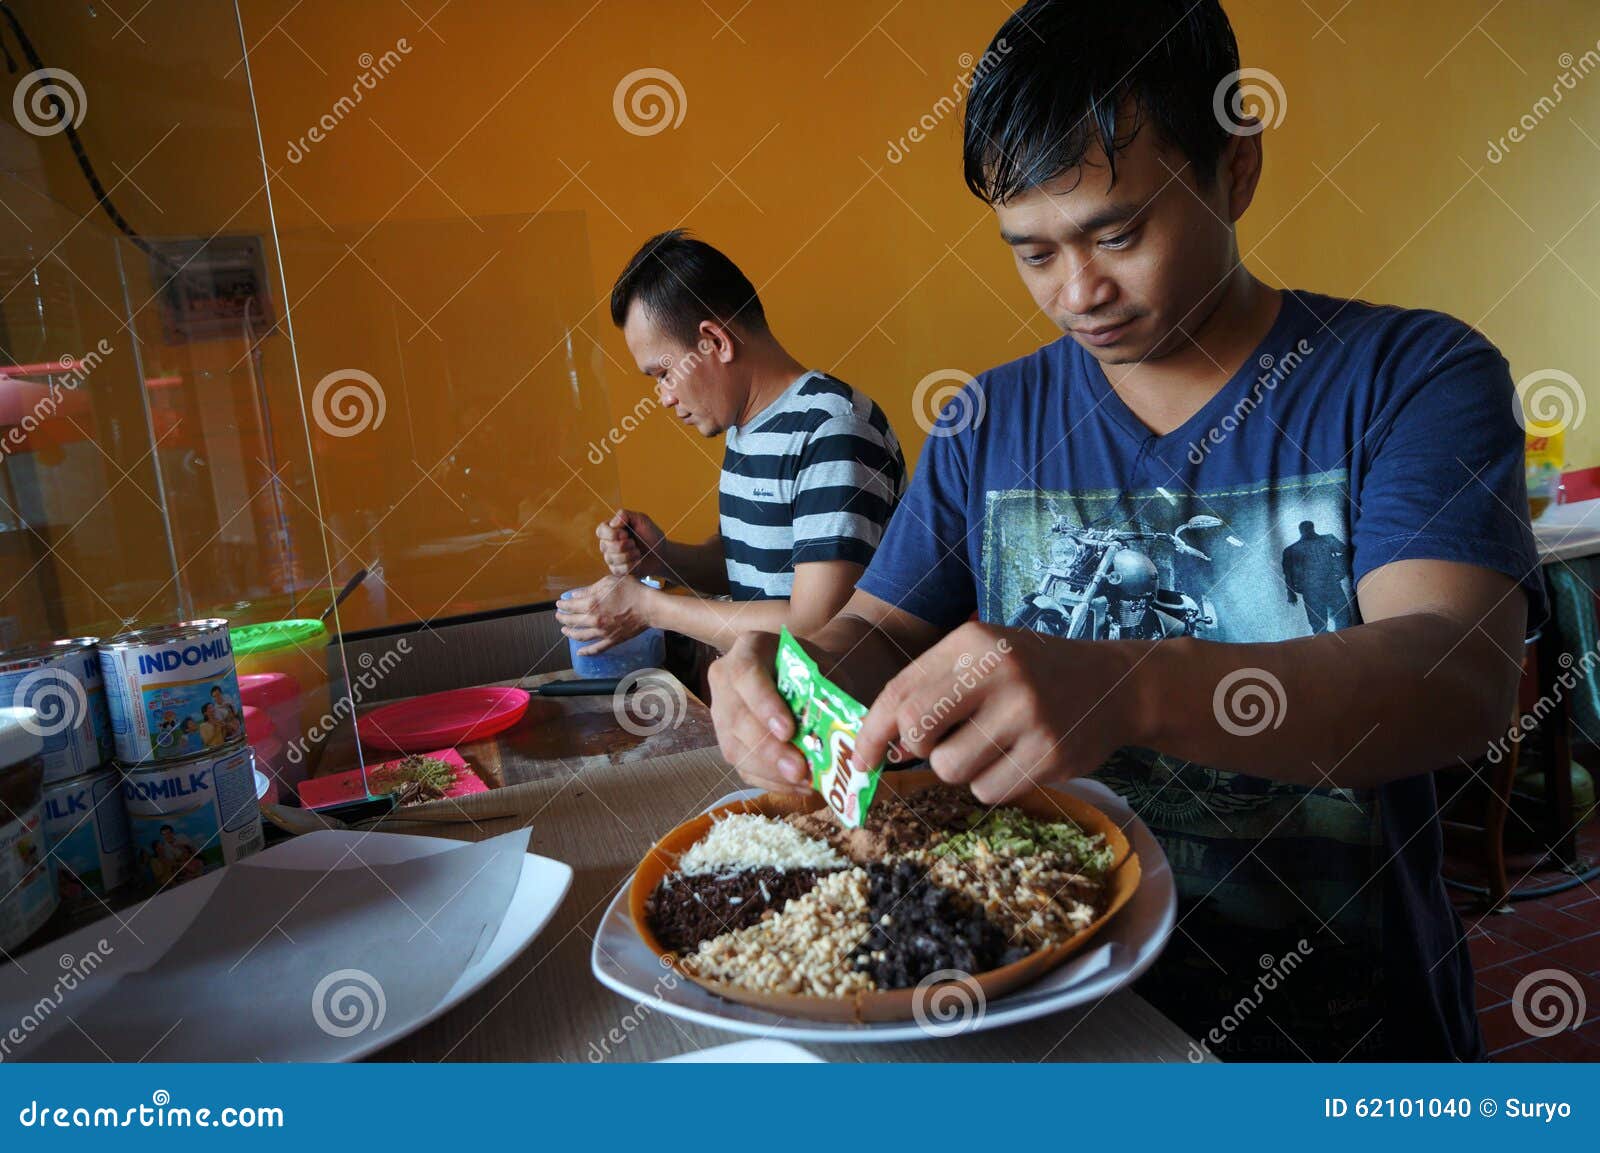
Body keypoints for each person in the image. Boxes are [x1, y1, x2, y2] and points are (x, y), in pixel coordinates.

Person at [706, 0, 1540, 1062]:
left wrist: (1127, 687)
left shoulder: (1412, 377)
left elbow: (1456, 676)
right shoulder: (984, 420)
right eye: (1032, 254)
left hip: (1346, 1031)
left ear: (1235, 169)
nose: (1078, 293)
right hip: (1050, 1016)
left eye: (1118, 232)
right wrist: (787, 665)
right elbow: (877, 632)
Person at [557, 230, 906, 656]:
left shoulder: (832, 429)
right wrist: (664, 558)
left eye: (663, 374)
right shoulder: (749, 429)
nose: (664, 398)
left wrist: (649, 608)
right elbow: (750, 569)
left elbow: (815, 627)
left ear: (716, 342)